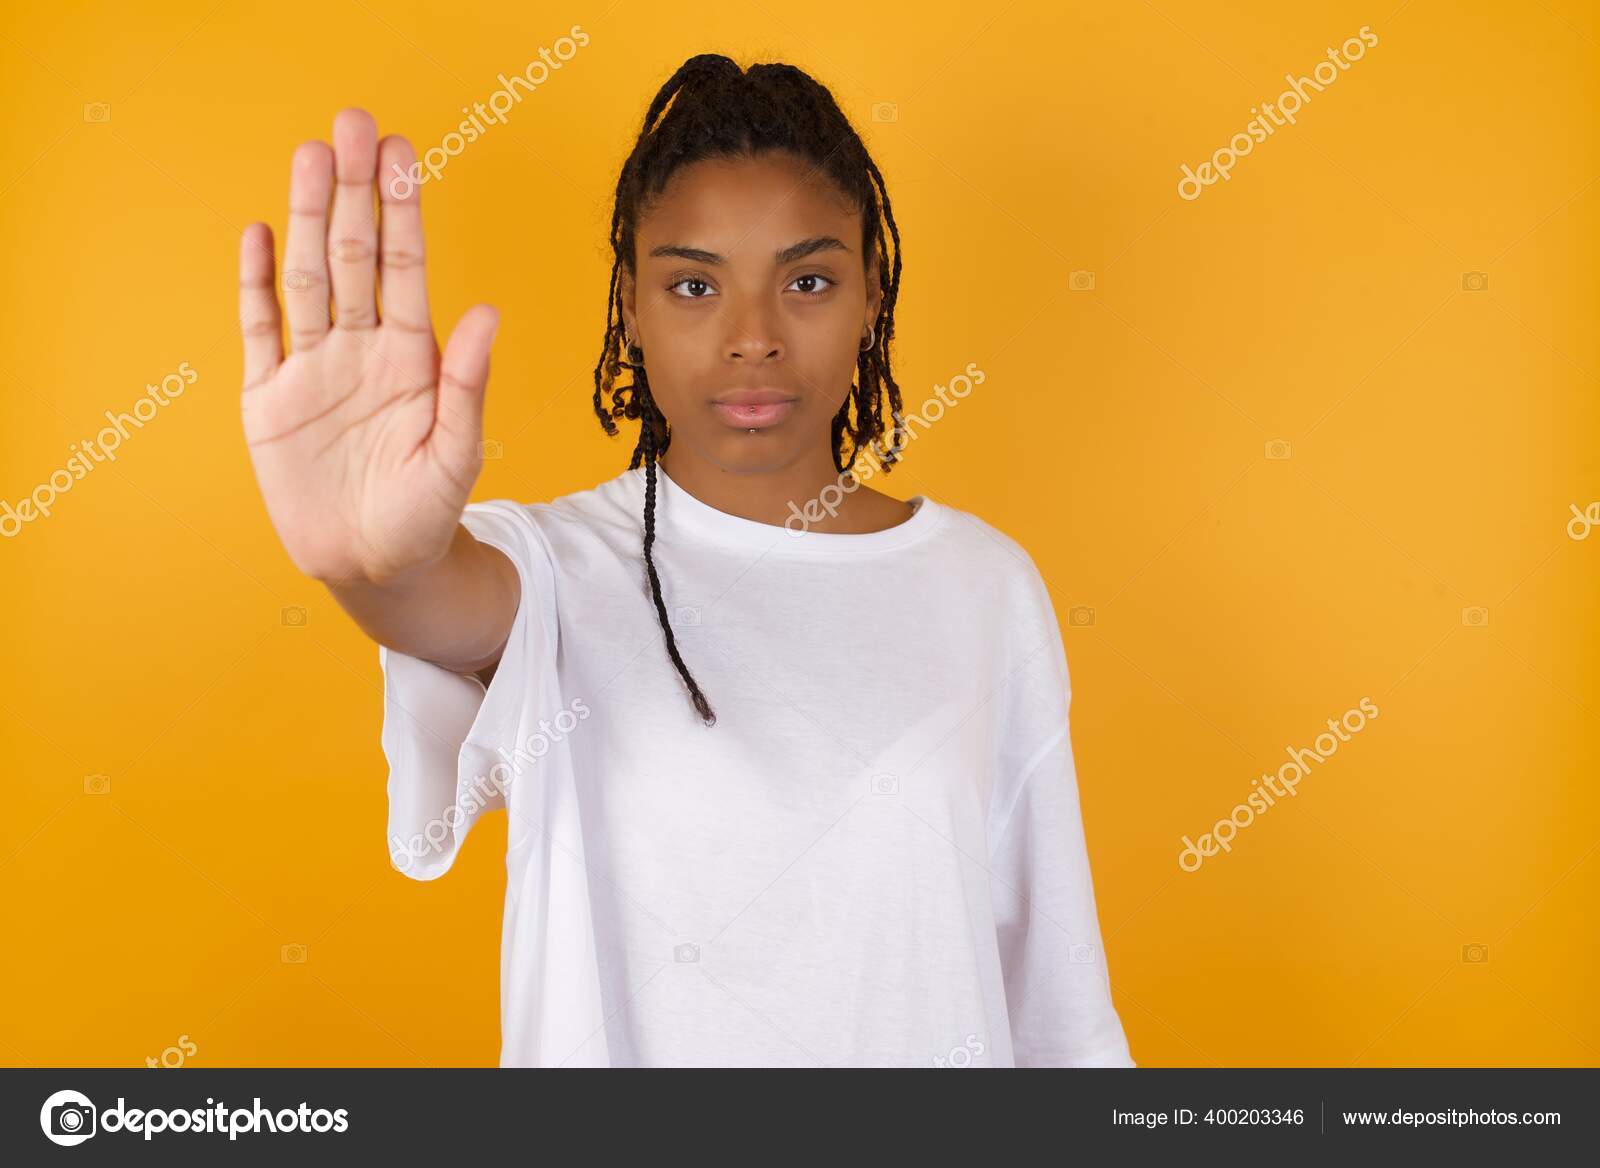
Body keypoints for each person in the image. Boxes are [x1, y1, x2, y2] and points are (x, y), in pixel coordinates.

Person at [237, 53, 1135, 1068]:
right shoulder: (553, 570)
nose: (752, 337)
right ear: (629, 303)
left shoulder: (984, 587)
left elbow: (1056, 1007)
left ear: (870, 297)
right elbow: (436, 600)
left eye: (807, 279)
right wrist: (371, 564)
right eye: (694, 284)